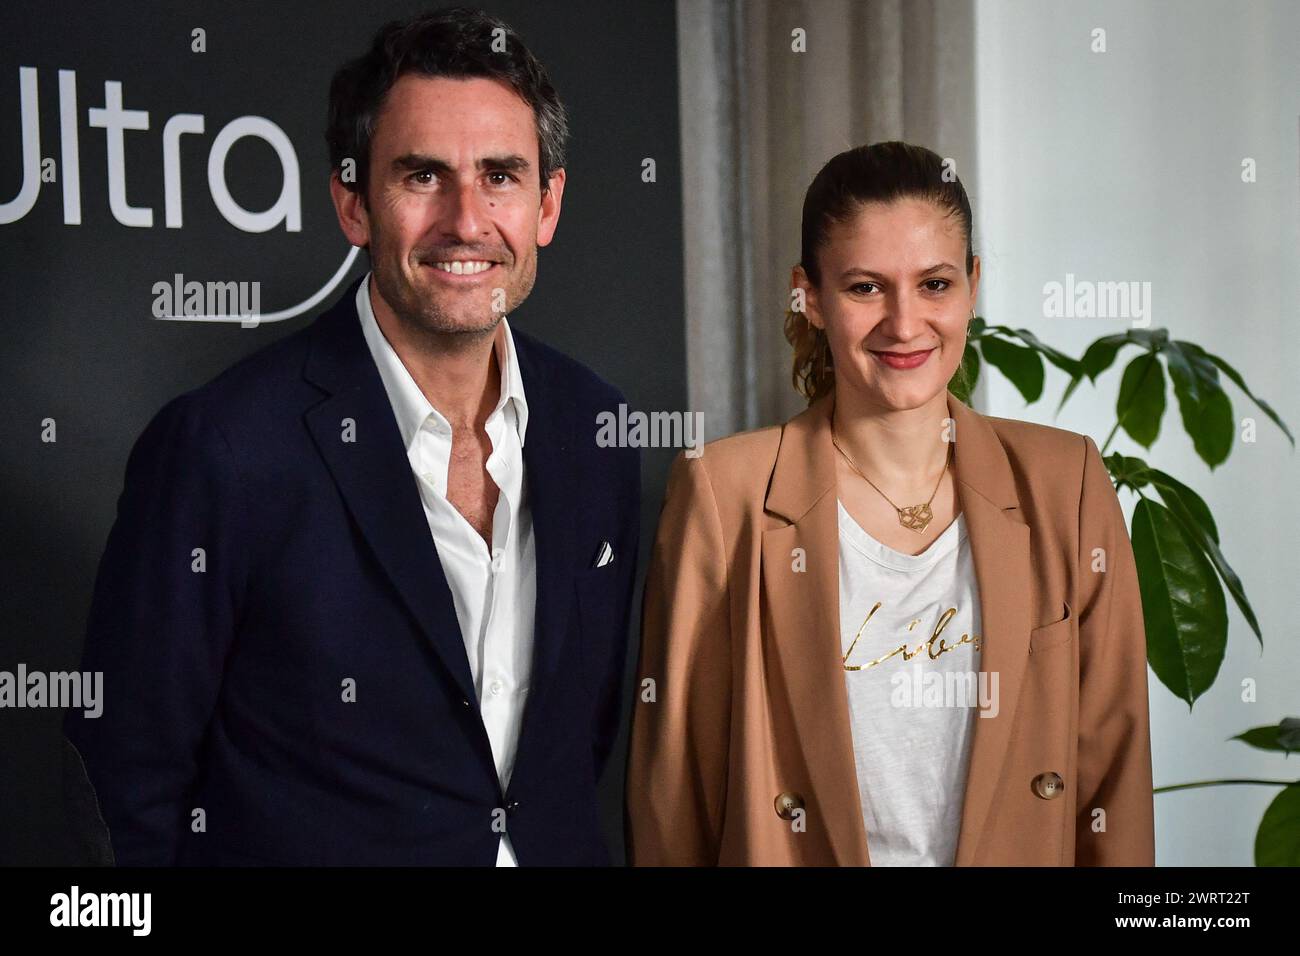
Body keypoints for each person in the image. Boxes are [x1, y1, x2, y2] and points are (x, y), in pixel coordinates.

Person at [65, 7, 640, 866]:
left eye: (501, 177)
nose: (467, 219)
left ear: (548, 205)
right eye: (422, 176)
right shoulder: (223, 448)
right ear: (352, 203)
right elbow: (128, 778)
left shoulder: (598, 429)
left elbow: (576, 747)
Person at [626, 141, 1154, 866]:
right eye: (865, 288)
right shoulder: (726, 495)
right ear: (807, 296)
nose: (904, 325)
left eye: (934, 284)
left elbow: (1113, 787)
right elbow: (673, 797)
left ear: (973, 285)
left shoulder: (1068, 483)